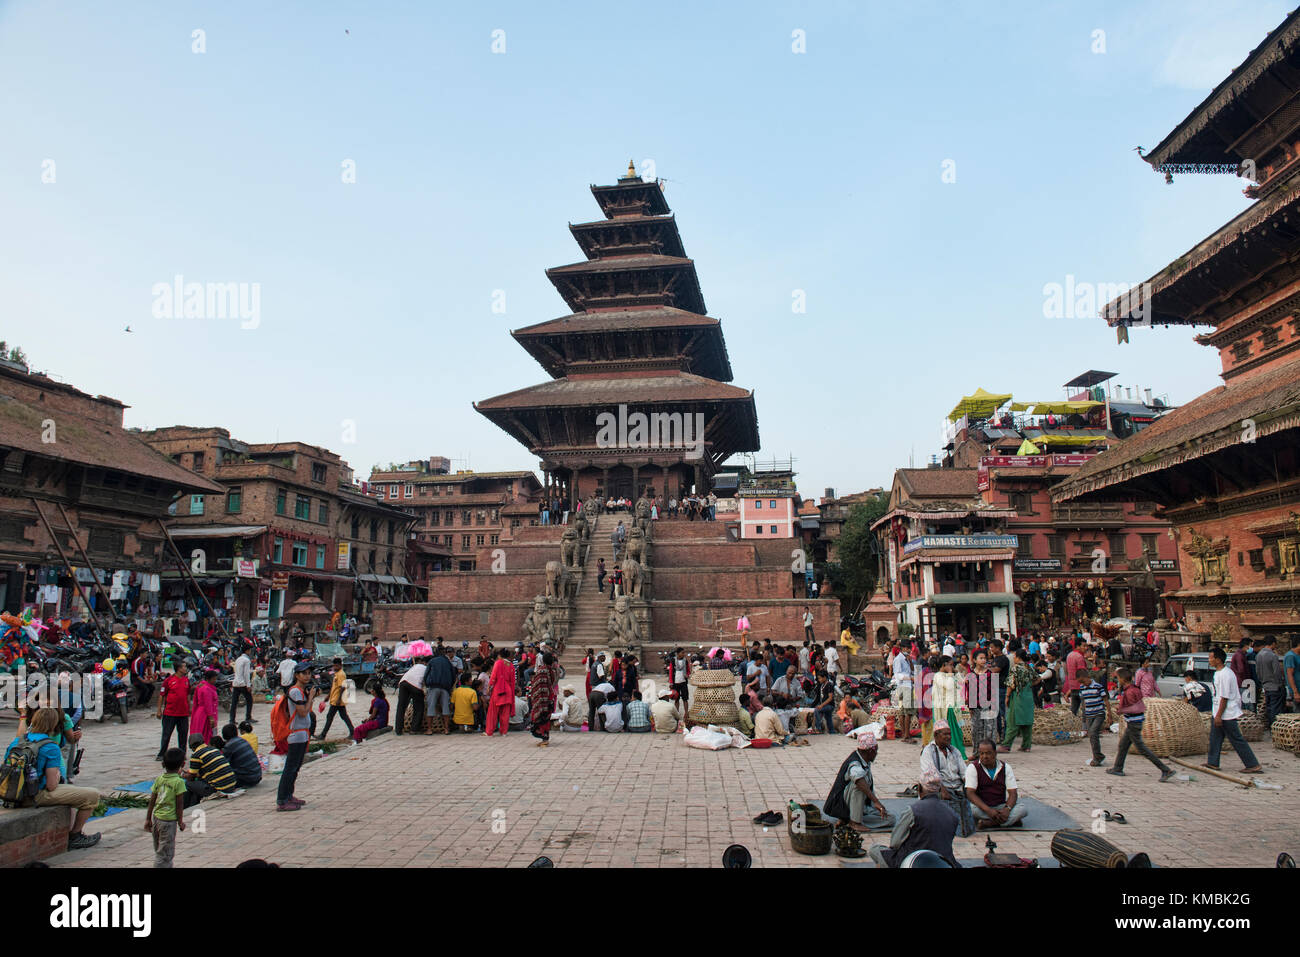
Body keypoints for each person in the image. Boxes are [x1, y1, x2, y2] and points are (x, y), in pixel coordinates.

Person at [5, 708, 101, 850]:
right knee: (92, 795)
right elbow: (51, 786)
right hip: (35, 796)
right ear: (54, 725)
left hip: (12, 793)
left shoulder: (17, 741)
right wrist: (57, 776)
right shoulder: (50, 747)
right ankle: (75, 836)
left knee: (72, 790)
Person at [867, 769, 959, 869]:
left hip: (914, 860)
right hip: (944, 861)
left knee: (874, 849)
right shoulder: (952, 813)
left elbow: (895, 843)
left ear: (919, 788)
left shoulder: (913, 810)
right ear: (940, 789)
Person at [1107, 667, 1176, 782]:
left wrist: (1121, 710)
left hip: (1134, 723)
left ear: (1123, 679)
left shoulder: (1129, 692)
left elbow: (1135, 708)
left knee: (1142, 749)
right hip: (1134, 722)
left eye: (1118, 678)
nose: (1118, 680)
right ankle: (1118, 767)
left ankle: (1165, 769)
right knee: (1123, 745)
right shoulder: (1134, 689)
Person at [1205, 645, 1263, 774]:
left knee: (1236, 739)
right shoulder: (1219, 673)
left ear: (1218, 660)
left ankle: (1252, 764)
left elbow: (1224, 697)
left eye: (1211, 658)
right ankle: (1212, 762)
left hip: (1227, 713)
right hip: (1219, 711)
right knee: (1215, 737)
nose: (1209, 660)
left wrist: (1219, 715)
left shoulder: (1225, 674)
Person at [824, 731, 893, 832]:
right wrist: (876, 801)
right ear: (870, 751)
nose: (876, 753)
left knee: (890, 819)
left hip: (858, 804)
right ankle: (855, 822)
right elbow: (859, 780)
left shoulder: (865, 761)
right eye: (876, 751)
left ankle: (848, 819)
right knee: (859, 785)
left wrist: (875, 805)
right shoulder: (854, 763)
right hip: (840, 804)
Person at [920, 720, 973, 837]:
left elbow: (964, 773)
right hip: (941, 790)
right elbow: (931, 774)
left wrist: (970, 789)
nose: (948, 737)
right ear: (936, 736)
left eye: (949, 734)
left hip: (958, 789)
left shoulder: (954, 751)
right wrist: (942, 789)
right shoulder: (928, 751)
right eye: (945, 734)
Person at [277, 663, 315, 811]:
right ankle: (282, 800)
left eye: (308, 673)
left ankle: (289, 795)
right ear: (297, 675)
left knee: (295, 767)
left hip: (302, 733)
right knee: (290, 768)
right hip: (296, 734)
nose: (307, 676)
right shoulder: (295, 691)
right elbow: (303, 712)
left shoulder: (300, 691)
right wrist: (311, 697)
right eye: (304, 673)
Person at [965, 739, 1027, 829]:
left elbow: (1013, 793)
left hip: (1000, 806)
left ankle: (991, 823)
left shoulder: (1006, 767)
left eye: (988, 753)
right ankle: (1008, 821)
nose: (984, 756)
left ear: (995, 753)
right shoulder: (973, 767)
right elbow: (970, 793)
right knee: (969, 809)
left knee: (1022, 809)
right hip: (982, 807)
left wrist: (1007, 809)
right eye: (981, 753)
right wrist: (988, 810)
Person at [144, 747, 187, 867]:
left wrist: (148, 819)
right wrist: (180, 821)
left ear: (163, 764)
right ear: (183, 764)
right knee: (165, 854)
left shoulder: (159, 779)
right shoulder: (179, 782)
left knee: (159, 849)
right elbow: (179, 805)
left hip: (157, 819)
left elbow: (152, 800)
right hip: (169, 821)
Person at [997, 649, 1036, 753]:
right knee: (1027, 721)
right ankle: (1026, 745)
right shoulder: (1029, 667)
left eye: (1014, 657)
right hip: (1028, 696)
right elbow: (1037, 679)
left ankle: (1006, 745)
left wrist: (1007, 696)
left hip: (1017, 696)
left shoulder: (1015, 668)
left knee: (1013, 721)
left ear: (1018, 657)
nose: (1013, 659)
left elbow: (1010, 683)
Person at [185, 733, 240, 802]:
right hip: (231, 785)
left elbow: (191, 778)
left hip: (220, 789)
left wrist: (182, 774)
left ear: (191, 747)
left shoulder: (196, 755)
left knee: (187, 783)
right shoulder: (214, 749)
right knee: (199, 781)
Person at [155, 659, 191, 760]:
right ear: (179, 669)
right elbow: (162, 695)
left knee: (183, 735)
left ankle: (182, 753)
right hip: (170, 712)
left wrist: (189, 707)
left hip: (183, 713)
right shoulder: (168, 681)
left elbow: (187, 694)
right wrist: (159, 710)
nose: (185, 668)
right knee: (166, 734)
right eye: (184, 666)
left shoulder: (186, 680)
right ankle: (162, 753)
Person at [317, 658, 355, 740]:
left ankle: (323, 735)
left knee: (330, 716)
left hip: (337, 700)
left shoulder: (341, 674)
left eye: (336, 665)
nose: (335, 667)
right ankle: (352, 731)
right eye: (334, 665)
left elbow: (342, 687)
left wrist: (338, 699)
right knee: (343, 716)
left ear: (340, 665)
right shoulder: (337, 674)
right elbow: (334, 687)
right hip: (335, 699)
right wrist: (328, 696)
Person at [422, 647, 456, 735]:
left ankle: (429, 729)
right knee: (445, 708)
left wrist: (427, 685)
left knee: (431, 707)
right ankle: (446, 729)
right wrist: (450, 687)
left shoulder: (432, 661)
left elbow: (426, 674)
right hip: (445, 688)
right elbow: (453, 676)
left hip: (433, 687)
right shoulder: (448, 662)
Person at [1078, 670, 1109, 766]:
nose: (1083, 684)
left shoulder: (1098, 687)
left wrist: (1110, 715)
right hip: (1089, 714)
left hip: (1099, 713)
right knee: (1092, 736)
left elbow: (1106, 700)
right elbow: (1083, 702)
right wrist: (1084, 715)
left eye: (1083, 681)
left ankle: (1097, 757)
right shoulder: (1082, 688)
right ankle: (1098, 755)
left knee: (1093, 732)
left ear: (1087, 677)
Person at [1255, 635, 1285, 727]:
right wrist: (1280, 683)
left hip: (1266, 685)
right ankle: (1275, 727)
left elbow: (1258, 672)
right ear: (1273, 644)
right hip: (1275, 686)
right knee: (1276, 708)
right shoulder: (1272, 655)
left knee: (1269, 707)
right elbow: (1277, 672)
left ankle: (1270, 726)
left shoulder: (1259, 655)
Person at [219, 724, 262, 788]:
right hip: (257, 775)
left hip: (247, 779)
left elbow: (224, 765)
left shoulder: (229, 746)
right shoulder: (242, 740)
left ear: (224, 735)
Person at [394, 656, 427, 736]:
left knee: (401, 706)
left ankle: (398, 729)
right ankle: (414, 729)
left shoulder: (415, 666)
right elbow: (425, 682)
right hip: (415, 685)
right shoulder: (426, 668)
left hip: (403, 682)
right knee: (419, 707)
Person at [530, 652, 559, 746]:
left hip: (541, 698)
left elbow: (536, 684)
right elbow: (553, 682)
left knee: (541, 718)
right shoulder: (552, 670)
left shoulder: (541, 670)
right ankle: (545, 737)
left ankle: (544, 738)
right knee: (545, 718)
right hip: (549, 697)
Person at [486, 649, 516, 737]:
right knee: (505, 713)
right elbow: (513, 681)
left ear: (500, 655)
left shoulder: (498, 663)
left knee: (493, 712)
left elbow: (493, 677)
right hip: (508, 690)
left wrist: (489, 687)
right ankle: (503, 732)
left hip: (498, 689)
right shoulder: (510, 665)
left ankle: (489, 731)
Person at [893, 643, 916, 744]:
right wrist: (910, 678)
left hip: (907, 686)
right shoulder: (898, 659)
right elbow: (898, 675)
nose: (909, 650)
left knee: (903, 711)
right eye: (907, 648)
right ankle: (906, 735)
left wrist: (910, 661)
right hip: (904, 686)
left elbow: (912, 670)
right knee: (907, 712)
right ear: (902, 648)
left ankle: (905, 734)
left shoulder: (906, 659)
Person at [1064, 640, 1087, 716]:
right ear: (1077, 646)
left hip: (1072, 685)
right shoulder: (1079, 657)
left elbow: (1067, 670)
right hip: (1080, 685)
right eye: (1083, 646)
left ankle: (1072, 723)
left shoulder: (1069, 655)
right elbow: (1082, 672)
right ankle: (1085, 726)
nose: (1085, 648)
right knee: (1085, 708)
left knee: (1074, 708)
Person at [230, 648, 253, 725]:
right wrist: (248, 685)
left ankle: (232, 719)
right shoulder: (246, 660)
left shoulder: (238, 659)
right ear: (247, 651)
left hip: (236, 682)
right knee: (249, 700)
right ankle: (248, 717)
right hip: (243, 683)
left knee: (234, 702)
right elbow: (246, 674)